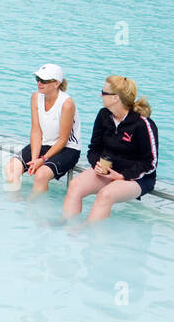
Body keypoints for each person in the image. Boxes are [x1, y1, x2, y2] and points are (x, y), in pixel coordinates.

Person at [62, 76, 159, 223]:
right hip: (107, 172)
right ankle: (67, 226)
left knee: (105, 194)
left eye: (103, 92)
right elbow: (94, 149)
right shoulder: (103, 115)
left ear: (115, 98)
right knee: (75, 185)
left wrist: (122, 176)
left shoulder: (143, 124)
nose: (100, 95)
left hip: (136, 178)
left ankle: (88, 233)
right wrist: (98, 165)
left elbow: (150, 163)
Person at [5, 63, 80, 195]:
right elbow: (36, 131)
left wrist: (42, 160)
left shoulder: (67, 104)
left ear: (56, 83)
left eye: (44, 80)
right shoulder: (35, 97)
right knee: (11, 168)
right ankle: (13, 202)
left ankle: (35, 209)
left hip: (67, 148)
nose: (39, 83)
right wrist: (34, 159)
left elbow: (63, 140)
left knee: (41, 175)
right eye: (37, 79)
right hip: (45, 143)